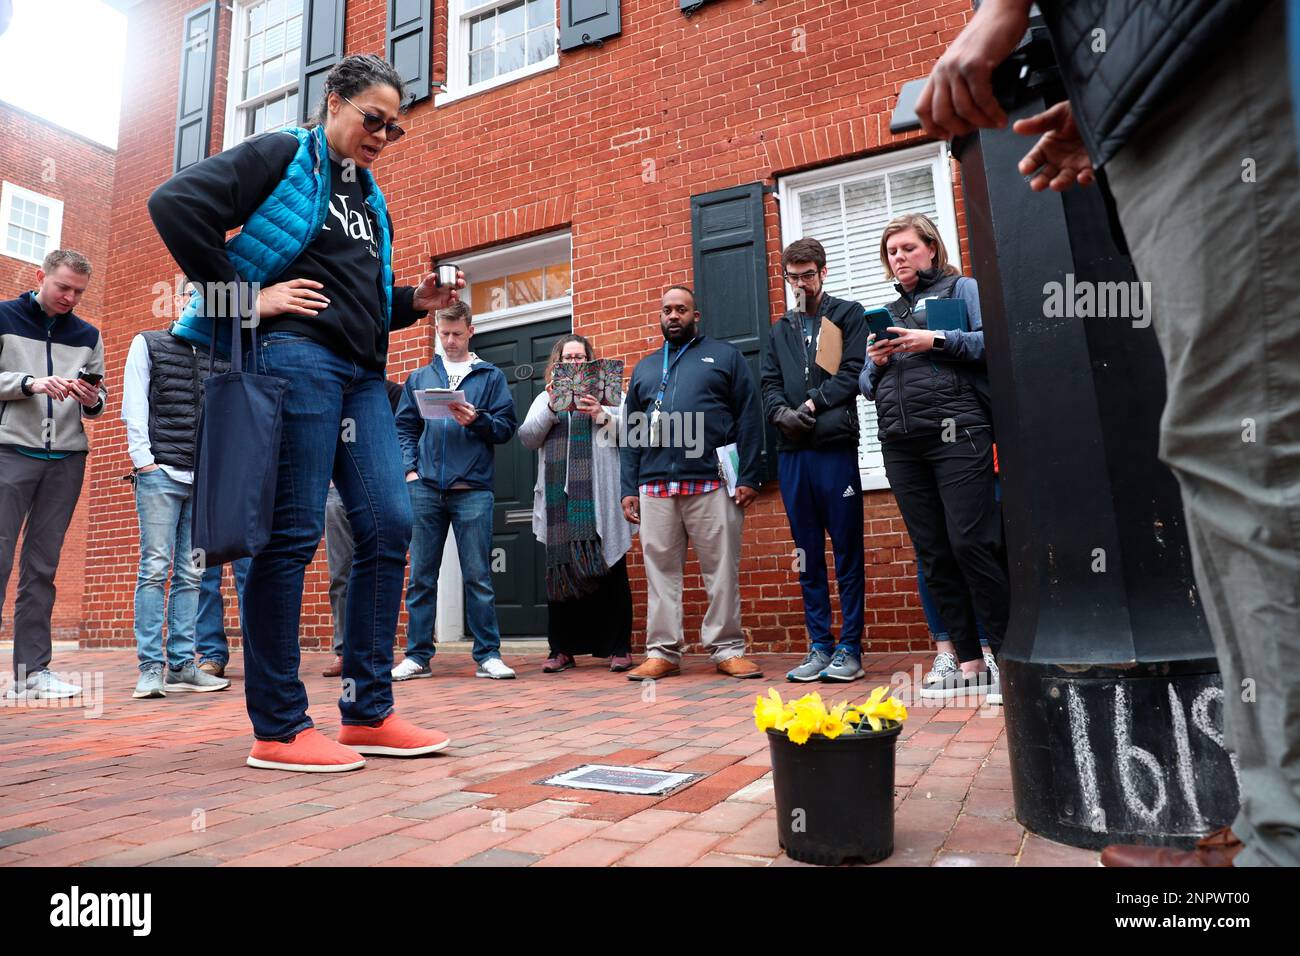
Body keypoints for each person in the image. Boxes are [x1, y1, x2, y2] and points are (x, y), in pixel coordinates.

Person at [918, 0, 1297, 867]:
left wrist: (1000, 11)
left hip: (1215, 75)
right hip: (1164, 90)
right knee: (1228, 450)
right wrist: (1104, 114)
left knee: (1253, 450)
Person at [148, 53, 456, 771]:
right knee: (289, 536)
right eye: (371, 119)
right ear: (334, 101)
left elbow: (359, 297)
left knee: (389, 524)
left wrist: (415, 301)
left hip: (358, 375)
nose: (381, 135)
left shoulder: (368, 196)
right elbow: (175, 204)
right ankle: (280, 726)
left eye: (394, 128)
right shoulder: (285, 152)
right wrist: (245, 297)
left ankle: (368, 712)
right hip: (292, 359)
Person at [858, 213, 1007, 704]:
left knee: (972, 544)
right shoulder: (884, 309)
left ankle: (1007, 660)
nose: (898, 257)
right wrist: (876, 363)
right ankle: (968, 663)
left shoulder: (960, 289)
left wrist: (934, 339)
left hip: (957, 432)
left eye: (906, 247)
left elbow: (993, 343)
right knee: (934, 552)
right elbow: (863, 384)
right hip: (901, 442)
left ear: (931, 247)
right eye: (891, 252)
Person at [621, 286, 765, 681]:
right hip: (655, 488)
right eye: (666, 309)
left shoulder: (724, 357)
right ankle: (662, 652)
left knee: (721, 570)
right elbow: (631, 432)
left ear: (695, 315)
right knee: (661, 574)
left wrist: (750, 475)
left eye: (681, 310)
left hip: (712, 483)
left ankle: (727, 649)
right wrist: (628, 487)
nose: (672, 316)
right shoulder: (646, 368)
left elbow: (750, 418)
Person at [760, 238, 868, 683]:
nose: (801, 283)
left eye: (808, 274)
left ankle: (850, 649)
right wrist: (782, 414)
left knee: (846, 551)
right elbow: (767, 385)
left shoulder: (848, 314)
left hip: (833, 449)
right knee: (806, 553)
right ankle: (820, 645)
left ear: (822, 272)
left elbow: (853, 373)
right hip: (793, 456)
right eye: (793, 276)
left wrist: (810, 405)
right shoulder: (779, 329)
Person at [393, 302, 519, 680]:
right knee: (421, 577)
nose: (449, 341)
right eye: (443, 334)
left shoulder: (490, 376)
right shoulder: (420, 376)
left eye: (456, 334)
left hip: (473, 490)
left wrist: (478, 420)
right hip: (425, 489)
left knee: (478, 575)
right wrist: (409, 471)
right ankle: (417, 656)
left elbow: (506, 428)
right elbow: (404, 428)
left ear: (470, 332)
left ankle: (488, 655)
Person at [0, 250, 106, 700]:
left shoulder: (87, 334)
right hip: (9, 450)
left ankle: (31, 674)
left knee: (41, 568)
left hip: (65, 458)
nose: (70, 297)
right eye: (63, 286)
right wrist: (29, 383)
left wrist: (88, 398)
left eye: (79, 291)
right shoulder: (4, 316)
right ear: (40, 276)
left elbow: (98, 401)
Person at [121, 322, 232, 697]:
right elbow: (134, 402)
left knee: (192, 573)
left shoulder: (224, 351)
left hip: (203, 478)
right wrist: (144, 461)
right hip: (161, 473)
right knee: (154, 569)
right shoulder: (149, 342)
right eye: (195, 295)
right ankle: (150, 667)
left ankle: (182, 666)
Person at [517, 334, 635, 674]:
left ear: (591, 362)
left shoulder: (611, 397)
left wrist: (602, 415)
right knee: (560, 570)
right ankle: (562, 649)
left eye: (580, 358)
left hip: (602, 499)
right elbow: (527, 437)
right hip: (560, 505)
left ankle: (618, 647)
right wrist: (553, 411)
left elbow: (633, 433)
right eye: (568, 358)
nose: (574, 363)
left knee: (613, 572)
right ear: (558, 364)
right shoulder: (546, 397)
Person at [322, 378, 404, 678]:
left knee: (379, 568)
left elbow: (406, 436)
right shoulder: (330, 389)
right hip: (336, 494)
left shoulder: (393, 393)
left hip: (378, 491)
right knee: (340, 574)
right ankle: (344, 651)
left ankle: (373, 651)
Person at [194, 559, 248, 678]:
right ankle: (211, 653)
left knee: (249, 576)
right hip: (201, 539)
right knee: (201, 578)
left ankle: (256, 656)